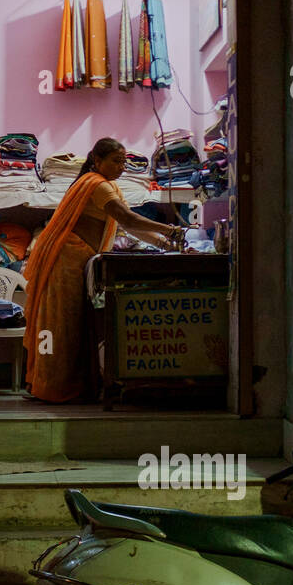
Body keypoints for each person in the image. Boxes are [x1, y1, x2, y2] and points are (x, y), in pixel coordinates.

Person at [24, 137, 186, 403]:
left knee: (74, 326)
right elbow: (128, 218)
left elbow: (128, 228)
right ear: (97, 161)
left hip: (79, 260)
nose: (122, 167)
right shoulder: (96, 184)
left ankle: (72, 387)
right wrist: (170, 230)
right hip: (66, 260)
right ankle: (50, 388)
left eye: (124, 162)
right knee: (59, 327)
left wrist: (166, 244)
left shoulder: (105, 185)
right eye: (115, 161)